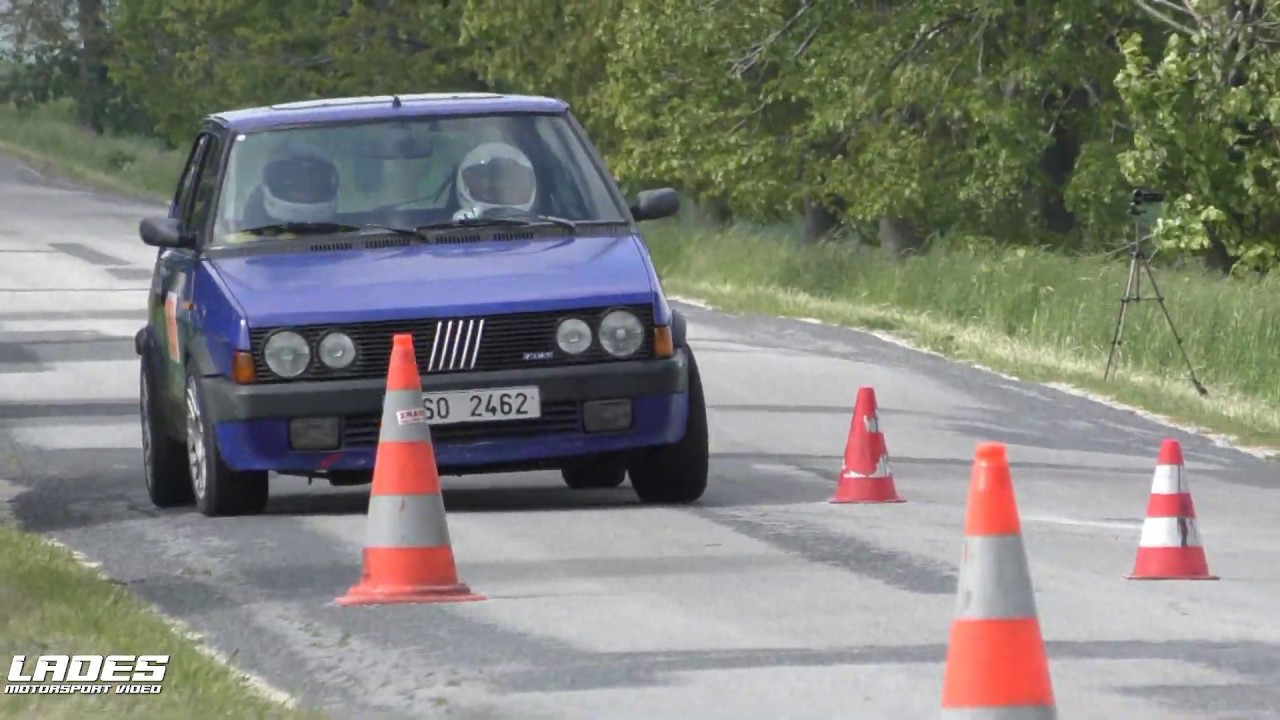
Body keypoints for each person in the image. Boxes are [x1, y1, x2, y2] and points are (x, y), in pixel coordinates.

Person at [253, 139, 342, 226]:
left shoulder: (347, 230)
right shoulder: (253, 230)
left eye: (314, 180)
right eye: (295, 184)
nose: (306, 189)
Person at [452, 141, 538, 220]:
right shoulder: (453, 228)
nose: (501, 185)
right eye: (488, 175)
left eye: (511, 177)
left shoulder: (544, 224)